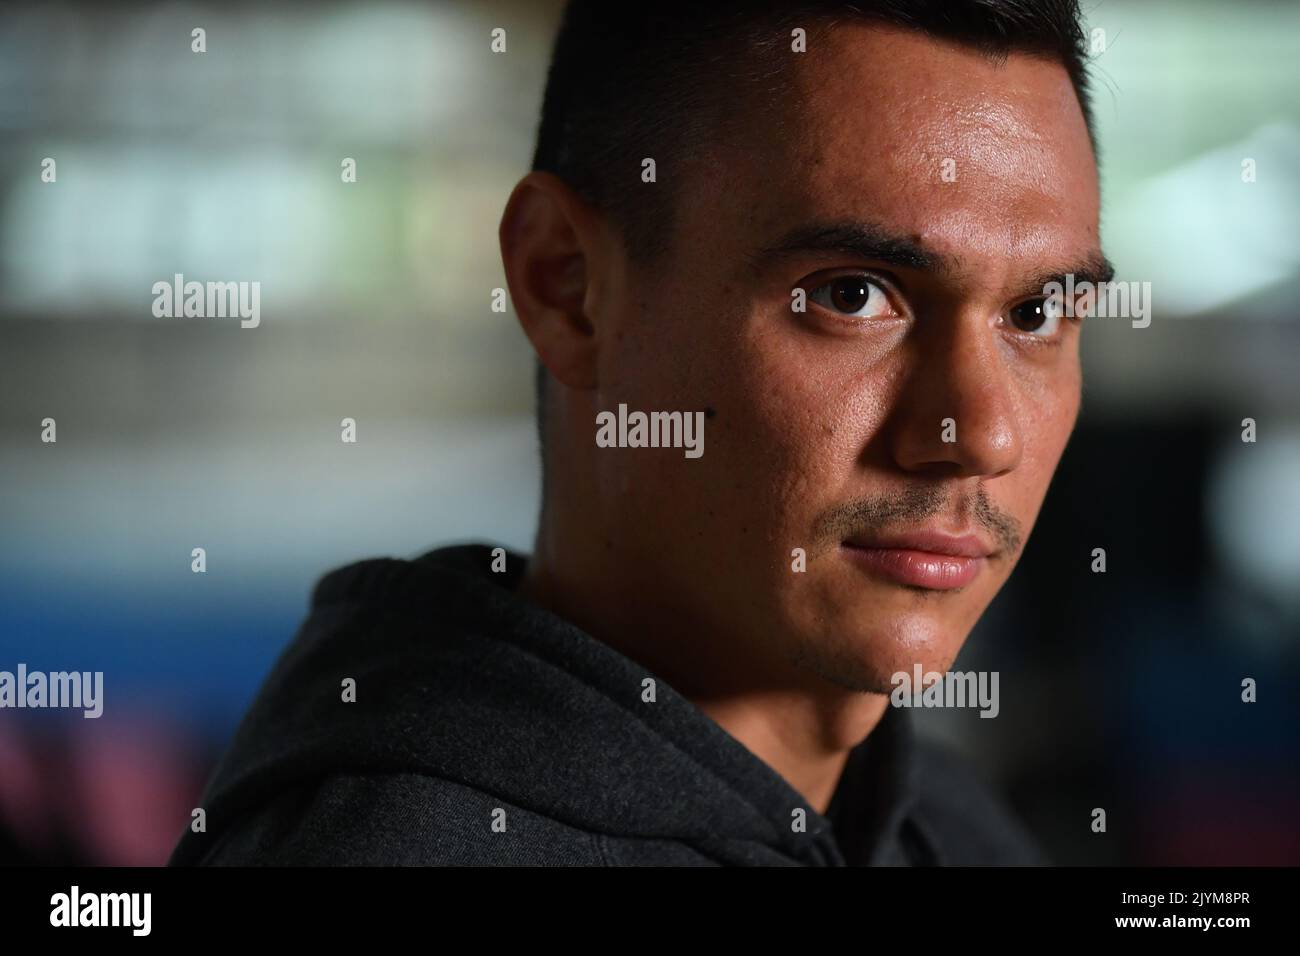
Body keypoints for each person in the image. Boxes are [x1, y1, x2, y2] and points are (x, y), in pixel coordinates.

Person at [172, 0, 1111, 866]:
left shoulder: (947, 826)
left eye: (1035, 313)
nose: (982, 435)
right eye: (852, 295)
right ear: (566, 287)